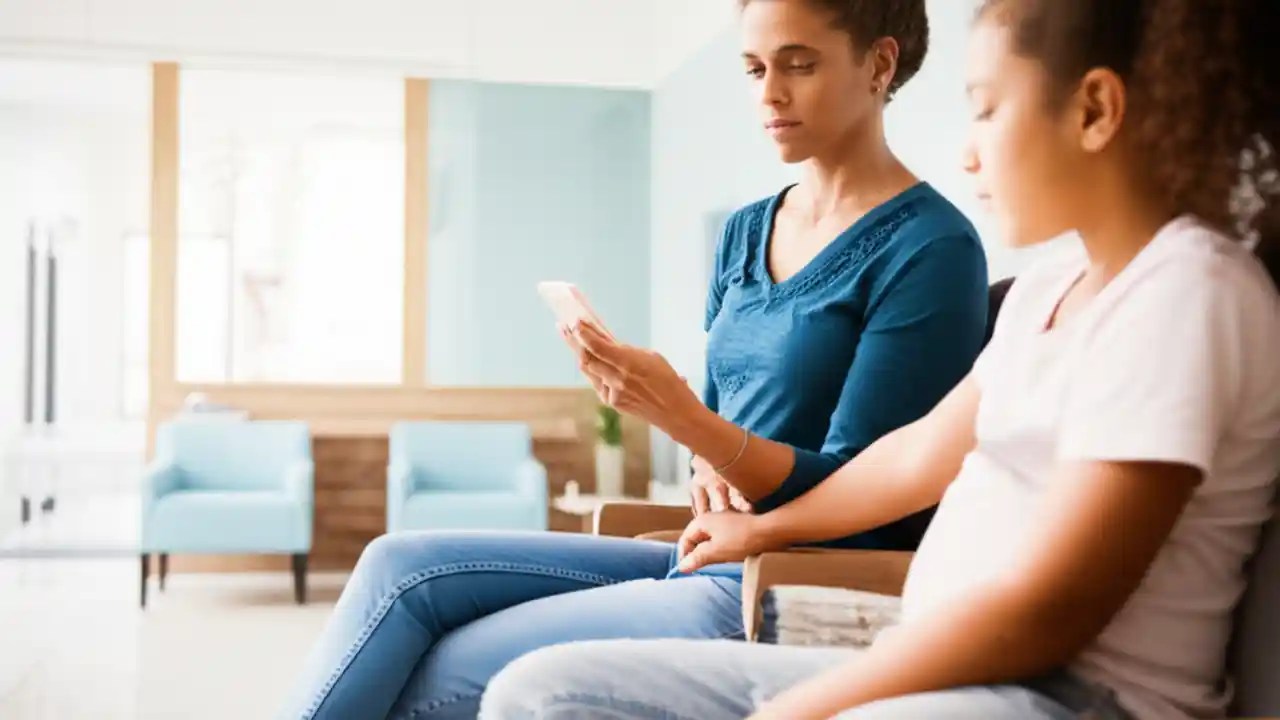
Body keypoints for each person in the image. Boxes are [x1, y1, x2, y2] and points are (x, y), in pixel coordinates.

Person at [478, 0, 1280, 719]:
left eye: (987, 112)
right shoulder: (1052, 288)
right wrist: (760, 533)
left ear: (1096, 110)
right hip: (953, 667)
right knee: (536, 692)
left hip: (1067, 694)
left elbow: (1052, 613)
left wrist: (808, 704)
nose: (967, 157)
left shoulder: (1187, 293)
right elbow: (911, 459)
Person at [279, 1, 989, 718]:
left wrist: (679, 417)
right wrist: (697, 446)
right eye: (753, 69)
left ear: (879, 63)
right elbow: (720, 426)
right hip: (708, 549)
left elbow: (866, 496)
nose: (769, 93)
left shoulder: (930, 249)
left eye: (799, 65)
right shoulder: (746, 231)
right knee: (397, 568)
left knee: (441, 670)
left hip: (783, 574)